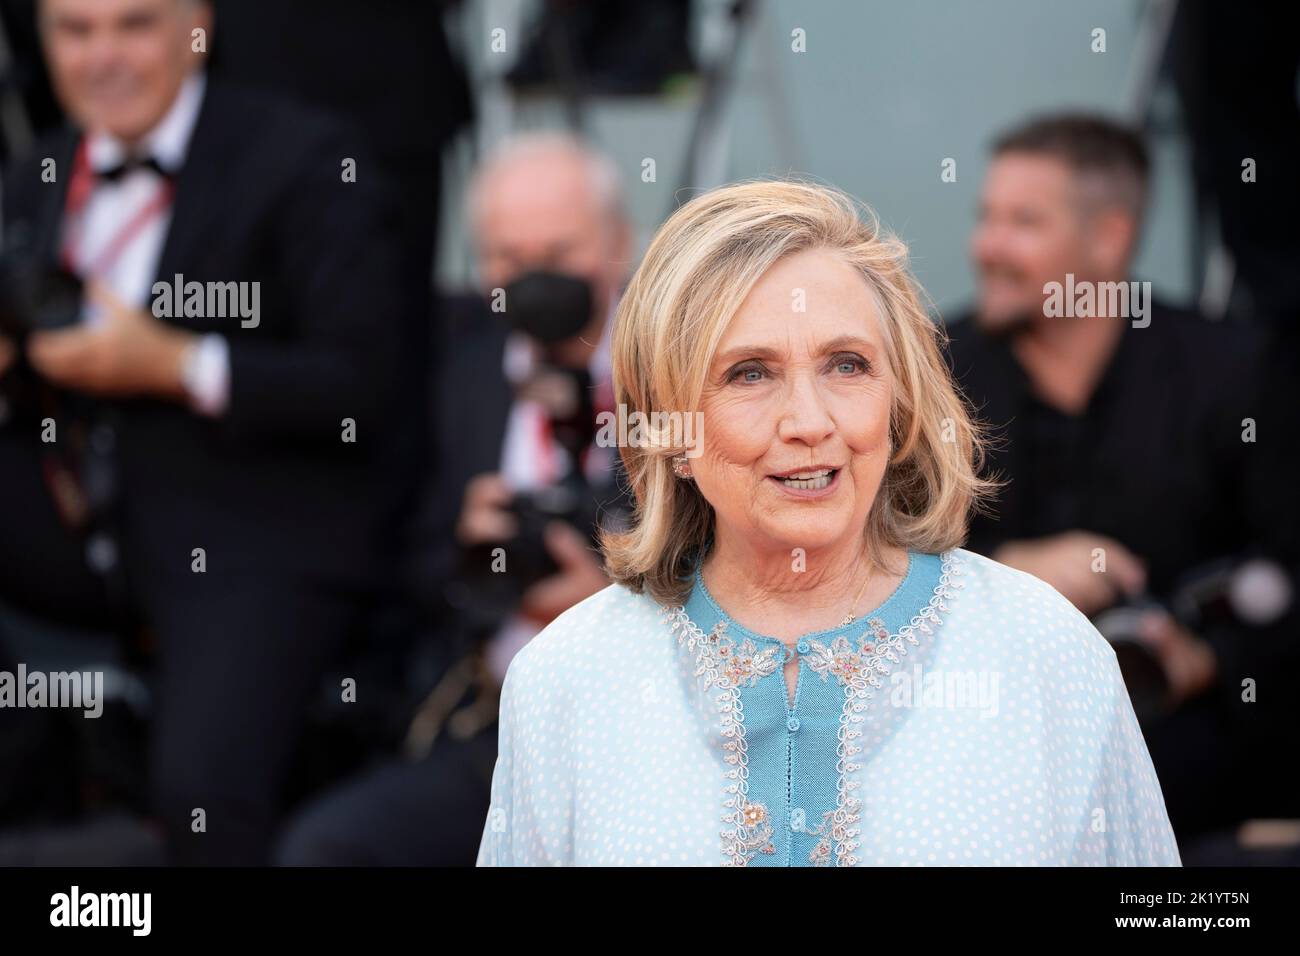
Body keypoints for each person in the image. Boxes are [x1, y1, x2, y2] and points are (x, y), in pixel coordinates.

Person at [476, 178, 1181, 866]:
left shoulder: (1046, 653)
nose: (811, 423)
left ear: (899, 401)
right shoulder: (565, 680)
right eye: (750, 374)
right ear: (668, 426)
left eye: (847, 365)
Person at [0, 0, 409, 864]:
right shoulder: (36, 173)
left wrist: (178, 364)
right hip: (78, 526)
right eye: (75, 31)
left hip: (252, 532)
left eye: (133, 25)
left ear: (199, 27)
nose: (102, 57)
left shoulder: (306, 156)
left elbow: (367, 386)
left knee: (202, 797)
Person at [274, 133, 631, 865]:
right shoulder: (460, 373)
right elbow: (414, 562)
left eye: (559, 257)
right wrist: (477, 559)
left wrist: (612, 601)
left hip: (648, 727)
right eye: (509, 260)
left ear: (620, 246)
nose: (534, 282)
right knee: (327, 848)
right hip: (493, 727)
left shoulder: (687, 371)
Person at [944, 114, 1300, 847]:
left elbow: (1290, 566)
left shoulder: (1234, 371)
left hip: (1199, 758)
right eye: (986, 217)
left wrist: (1202, 661)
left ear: (1107, 237)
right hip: (983, 738)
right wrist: (1002, 573)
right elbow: (871, 554)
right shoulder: (937, 372)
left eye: (1023, 222)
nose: (987, 246)